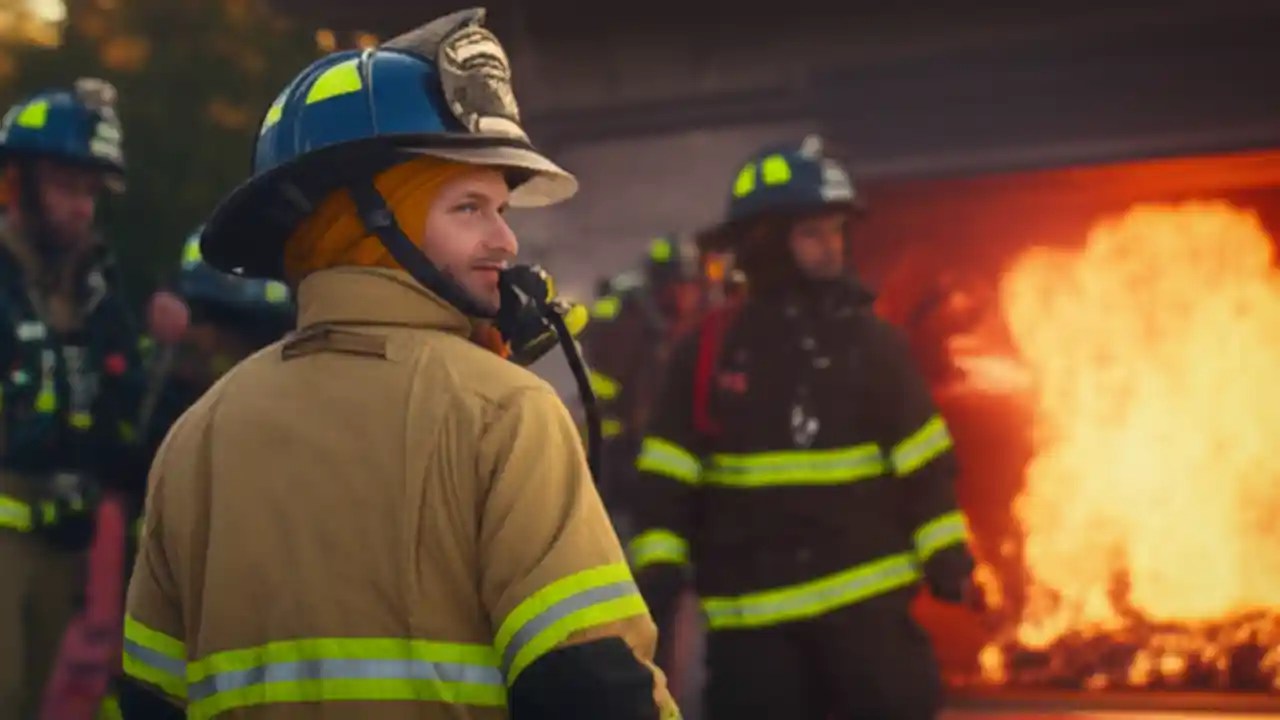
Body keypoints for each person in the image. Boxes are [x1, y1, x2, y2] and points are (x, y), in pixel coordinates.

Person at [119, 9, 678, 720]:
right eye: (469, 206)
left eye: (502, 209)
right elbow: (595, 689)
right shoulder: (503, 413)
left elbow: (148, 703)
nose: (506, 241)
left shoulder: (196, 439)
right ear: (365, 224)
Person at [628, 134, 977, 720]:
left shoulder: (874, 343)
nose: (832, 246)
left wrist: (947, 554)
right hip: (755, 629)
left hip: (867, 621)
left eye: (836, 231)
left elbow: (924, 462)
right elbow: (667, 473)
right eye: (813, 232)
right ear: (767, 242)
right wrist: (659, 566)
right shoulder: (709, 352)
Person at [0, 77, 147, 720]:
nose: (81, 208)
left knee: (34, 699)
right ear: (15, 183)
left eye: (91, 192)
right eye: (65, 186)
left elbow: (124, 411)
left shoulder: (97, 294)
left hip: (65, 543)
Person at [581, 234, 702, 534]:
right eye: (680, 285)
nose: (688, 294)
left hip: (658, 444)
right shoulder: (630, 322)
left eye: (691, 285)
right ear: (662, 285)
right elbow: (608, 387)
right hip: (621, 449)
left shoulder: (677, 322)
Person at [136, 228, 295, 456]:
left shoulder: (290, 424)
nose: (212, 343)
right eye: (209, 318)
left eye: (257, 336)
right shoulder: (146, 406)